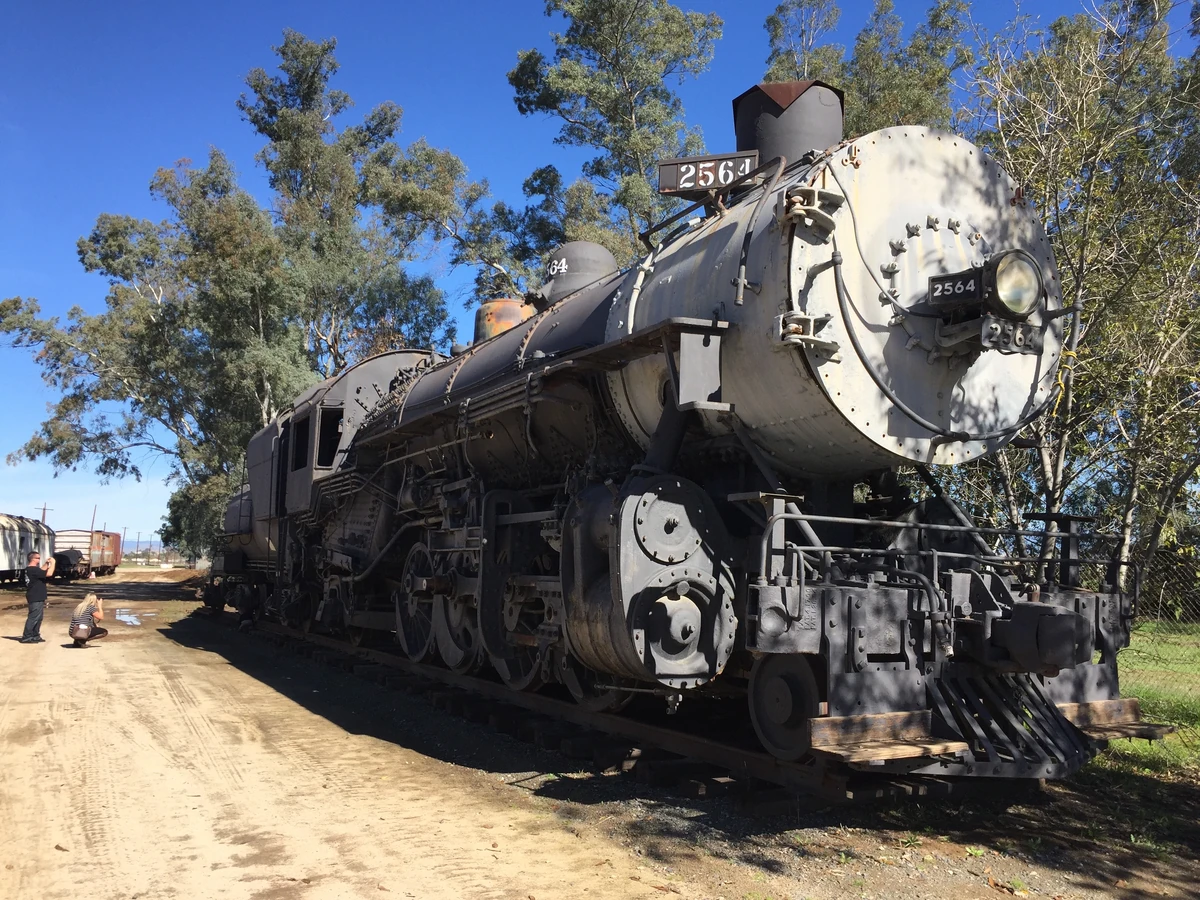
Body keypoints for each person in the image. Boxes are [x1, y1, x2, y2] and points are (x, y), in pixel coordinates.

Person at [20, 550, 55, 643]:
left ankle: (35, 635)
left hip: (37, 595)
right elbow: (49, 574)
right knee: (33, 617)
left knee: (39, 617)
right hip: (35, 596)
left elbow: (41, 571)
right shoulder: (33, 569)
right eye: (38, 558)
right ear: (33, 559)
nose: (39, 560)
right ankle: (26, 636)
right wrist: (53, 563)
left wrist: (46, 564)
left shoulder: (31, 569)